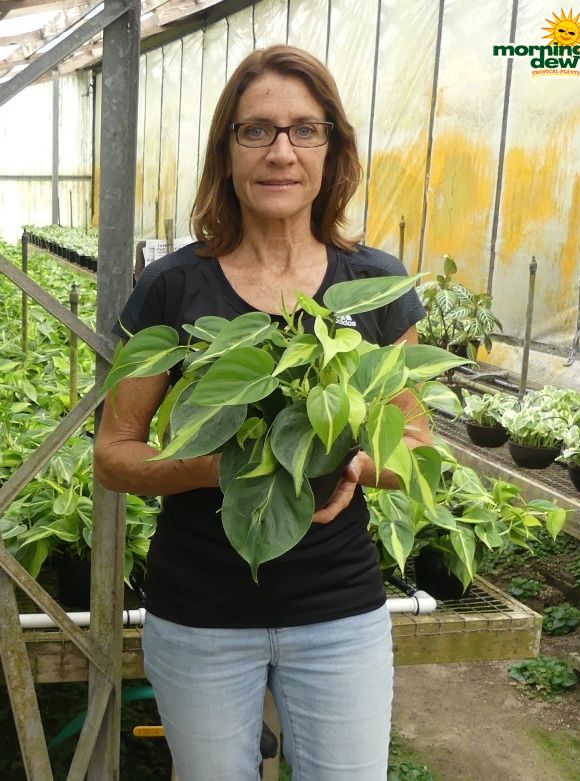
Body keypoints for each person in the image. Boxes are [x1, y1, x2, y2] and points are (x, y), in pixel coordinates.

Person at [94, 44, 432, 781]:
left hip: (339, 612)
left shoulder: (372, 282)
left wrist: (353, 465)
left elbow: (414, 441)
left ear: (332, 149)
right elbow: (114, 453)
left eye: (304, 130)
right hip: (201, 616)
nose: (281, 152)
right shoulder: (173, 286)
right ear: (228, 150)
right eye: (257, 130)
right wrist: (222, 466)